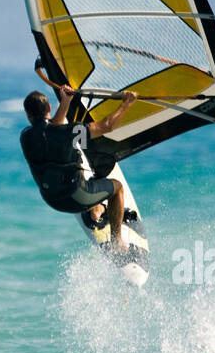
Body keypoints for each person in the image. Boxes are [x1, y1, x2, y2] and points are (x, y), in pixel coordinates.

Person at [19, 84, 138, 249]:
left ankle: (96, 209)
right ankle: (116, 242)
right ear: (49, 107)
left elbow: (50, 130)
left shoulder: (25, 137)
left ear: (27, 115)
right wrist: (127, 103)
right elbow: (107, 125)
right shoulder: (71, 132)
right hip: (77, 197)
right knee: (117, 187)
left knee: (82, 177)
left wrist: (66, 101)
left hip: (51, 199)